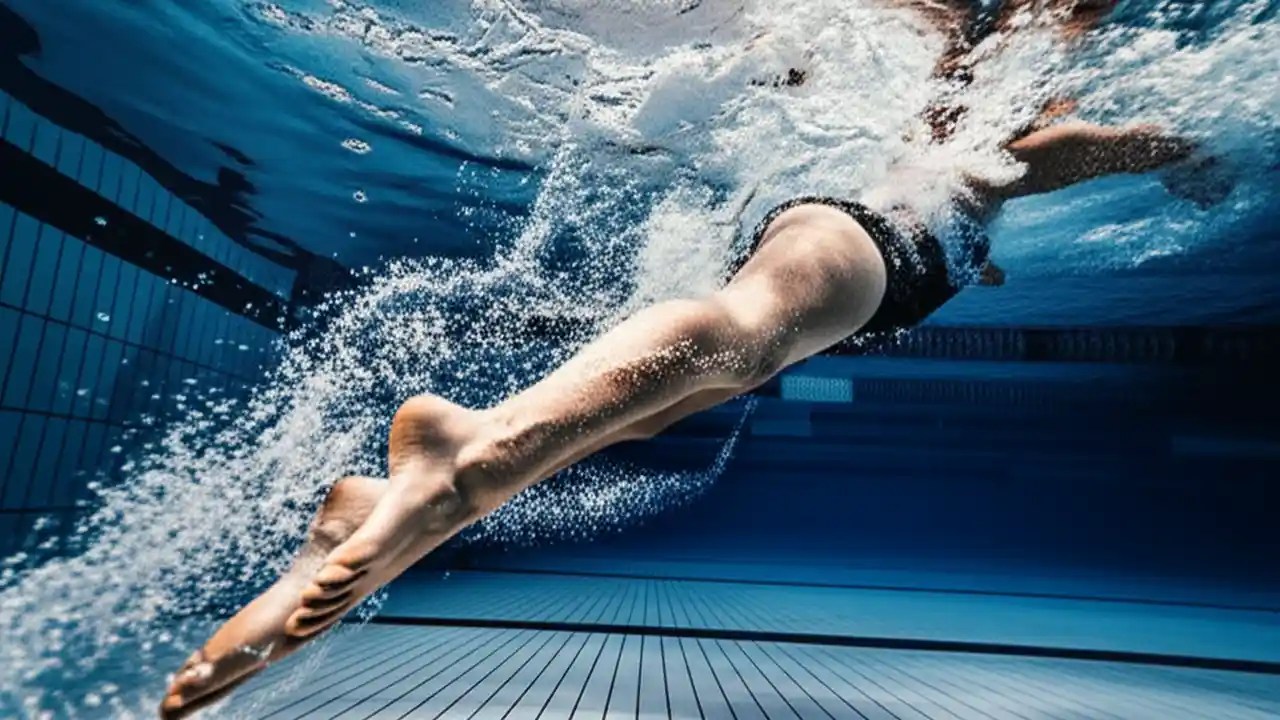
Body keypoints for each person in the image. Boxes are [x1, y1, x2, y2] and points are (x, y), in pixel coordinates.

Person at [160, 2, 1220, 716]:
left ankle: (435, 462)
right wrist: (1176, 154)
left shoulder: (930, 130)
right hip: (861, 248)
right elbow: (1057, 152)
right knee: (743, 330)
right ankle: (463, 456)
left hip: (826, 236)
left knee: (691, 384)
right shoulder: (985, 147)